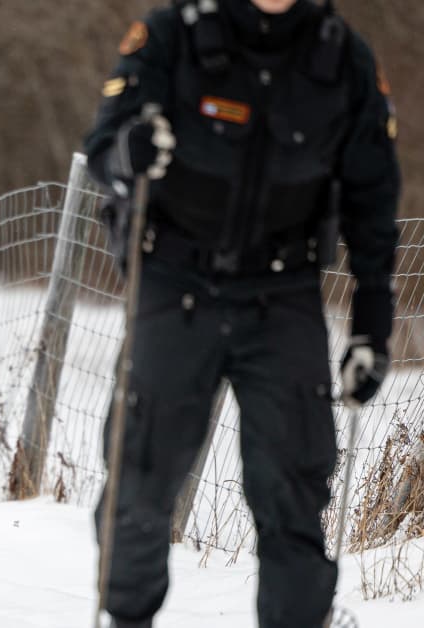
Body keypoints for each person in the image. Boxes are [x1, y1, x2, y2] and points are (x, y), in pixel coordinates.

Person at [83, 0, 399, 626]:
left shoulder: (343, 59)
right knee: (139, 477)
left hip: (282, 294)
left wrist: (371, 327)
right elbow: (102, 148)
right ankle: (127, 617)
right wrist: (131, 152)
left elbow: (373, 201)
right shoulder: (171, 34)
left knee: (293, 486)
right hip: (176, 283)